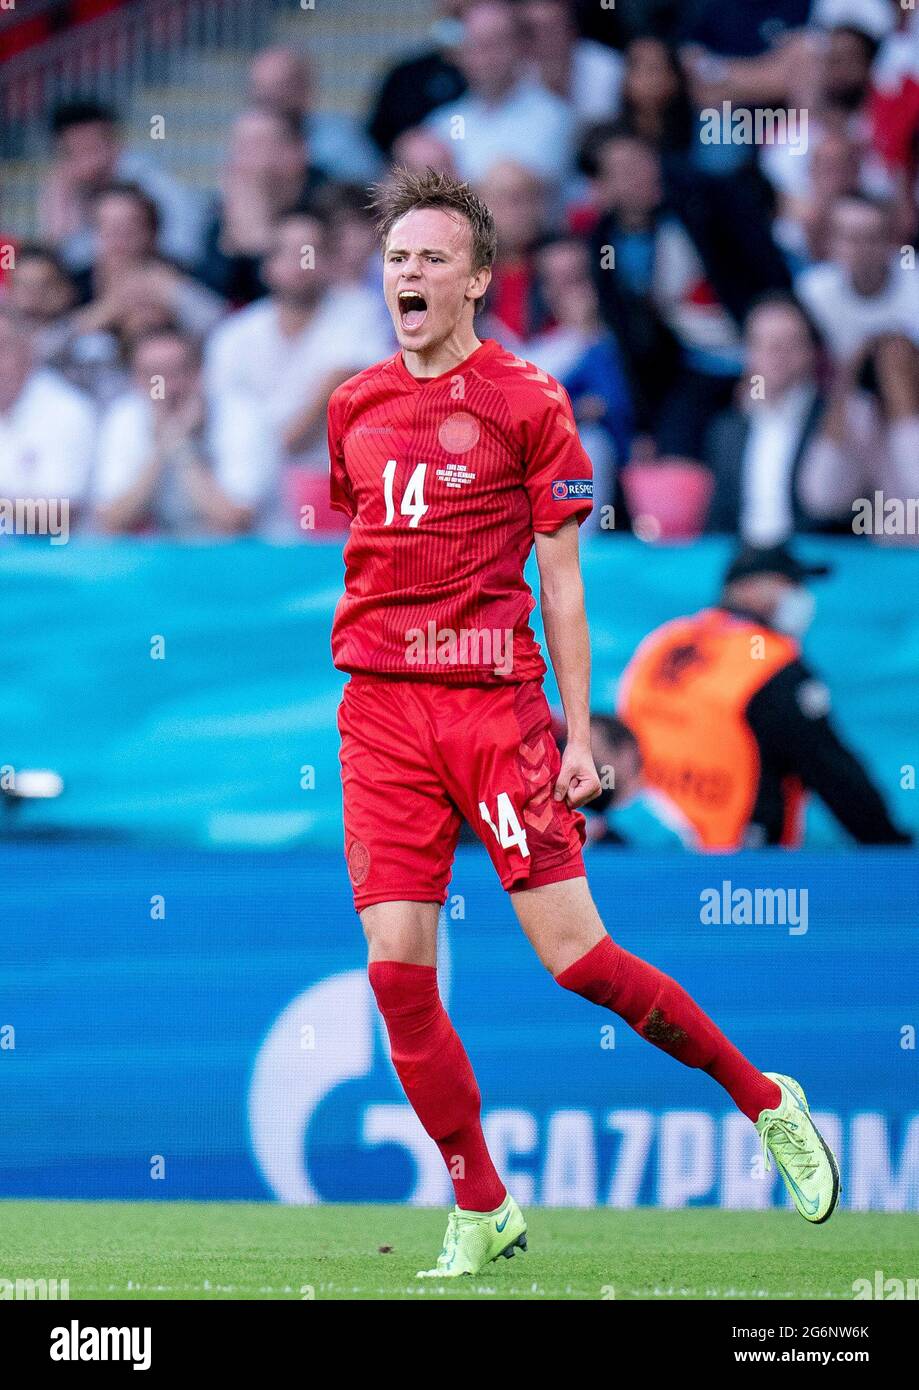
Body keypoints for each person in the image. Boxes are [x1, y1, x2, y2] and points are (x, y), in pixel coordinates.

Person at [327, 167, 839, 1279]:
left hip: (490, 708)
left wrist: (571, 733)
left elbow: (560, 583)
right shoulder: (354, 402)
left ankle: (763, 1099)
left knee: (577, 958)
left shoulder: (526, 400)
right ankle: (479, 1200)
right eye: (396, 257)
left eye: (429, 259)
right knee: (394, 969)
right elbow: (370, 548)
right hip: (377, 709)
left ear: (473, 280)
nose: (406, 274)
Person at [619, 543, 912, 848]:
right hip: (736, 864)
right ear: (747, 589)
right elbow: (833, 770)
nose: (801, 596)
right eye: (789, 584)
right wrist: (890, 845)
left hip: (649, 844)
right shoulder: (768, 662)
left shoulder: (665, 640)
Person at [204, 209, 393, 476]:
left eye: (310, 252)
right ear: (267, 266)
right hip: (249, 482)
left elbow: (331, 402)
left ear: (330, 261)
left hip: (335, 477)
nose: (300, 263)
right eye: (286, 252)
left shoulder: (361, 312)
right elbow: (223, 420)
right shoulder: (232, 336)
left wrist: (262, 459)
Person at [94, 327, 278, 537]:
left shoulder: (242, 415)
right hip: (162, 556)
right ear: (136, 379)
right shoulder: (125, 417)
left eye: (176, 372)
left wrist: (183, 449)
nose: (167, 387)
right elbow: (112, 521)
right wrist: (162, 449)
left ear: (199, 373)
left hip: (247, 556)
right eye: (154, 376)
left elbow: (234, 521)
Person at [703, 292, 833, 541]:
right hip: (741, 565)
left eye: (789, 343)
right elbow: (719, 520)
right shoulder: (726, 429)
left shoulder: (832, 421)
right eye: (765, 343)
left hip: (815, 564)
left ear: (810, 352)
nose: (776, 354)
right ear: (748, 353)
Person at [39, 99, 205, 273]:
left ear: (114, 142)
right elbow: (62, 262)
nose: (88, 162)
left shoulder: (153, 183)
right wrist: (60, 204)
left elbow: (184, 249)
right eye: (74, 151)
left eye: (92, 147)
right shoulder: (72, 188)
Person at [422, 1, 575, 187]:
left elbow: (519, 194)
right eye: (474, 45)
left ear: (520, 47)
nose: (485, 57)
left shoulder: (554, 117)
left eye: (495, 44)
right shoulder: (442, 123)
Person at [0, 303, 96, 522]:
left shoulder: (68, 410)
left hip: (53, 552)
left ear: (27, 350)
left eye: (2, 347)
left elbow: (59, 515)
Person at [247, 46, 381, 184]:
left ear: (305, 88)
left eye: (280, 86)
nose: (267, 97)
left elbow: (366, 193)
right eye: (259, 87)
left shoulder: (340, 142)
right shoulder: (244, 143)